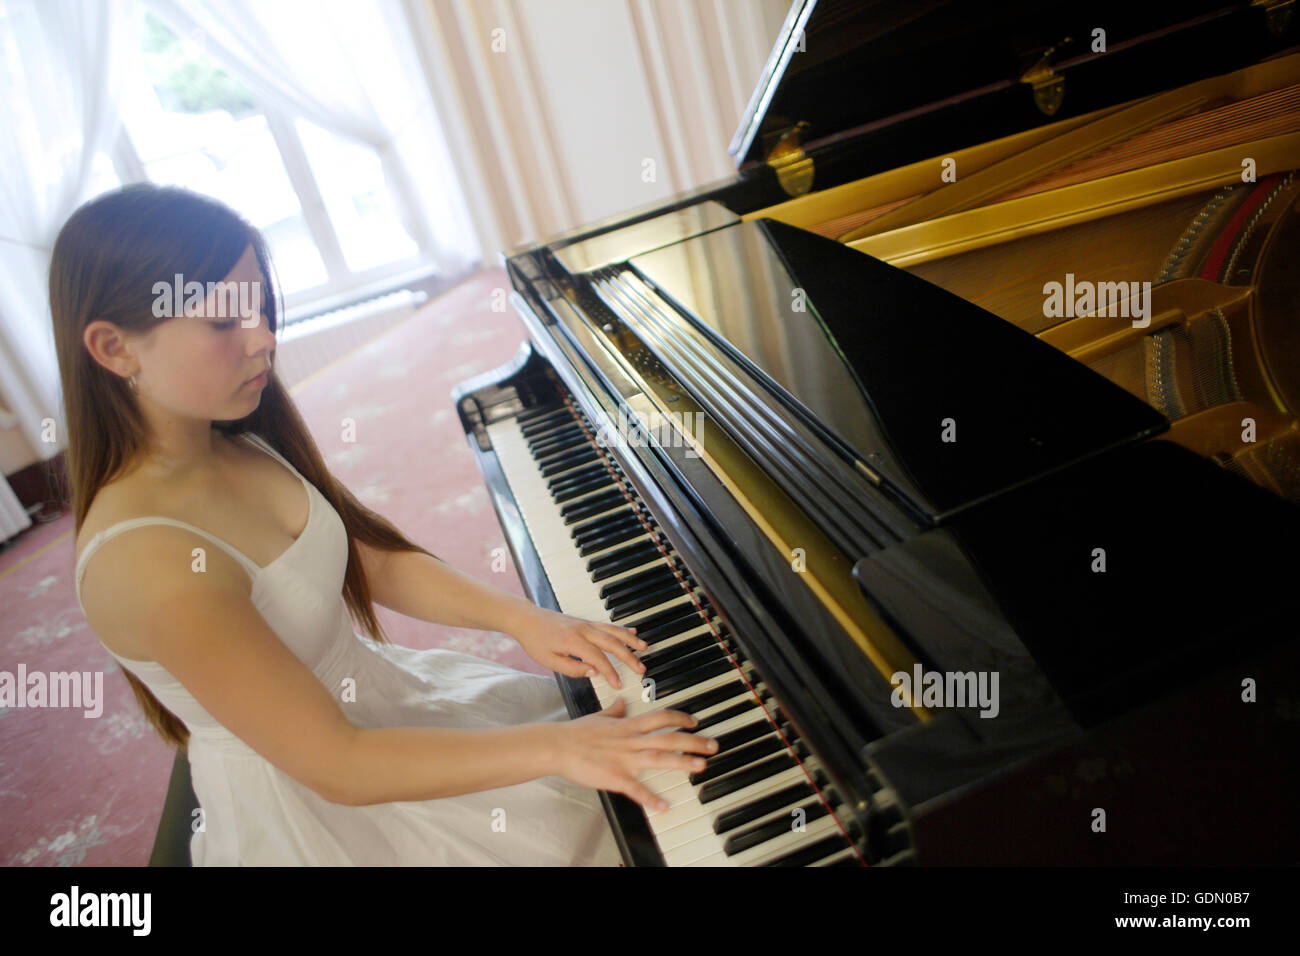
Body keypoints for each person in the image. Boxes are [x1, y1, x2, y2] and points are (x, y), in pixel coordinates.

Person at [56, 183, 718, 865]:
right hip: (329, 798)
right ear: (114, 349)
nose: (264, 339)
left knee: (636, 764)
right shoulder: (149, 564)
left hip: (383, 708)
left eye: (258, 306)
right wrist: (559, 749)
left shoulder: (229, 436)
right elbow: (339, 765)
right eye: (224, 323)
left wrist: (521, 619)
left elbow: (369, 559)